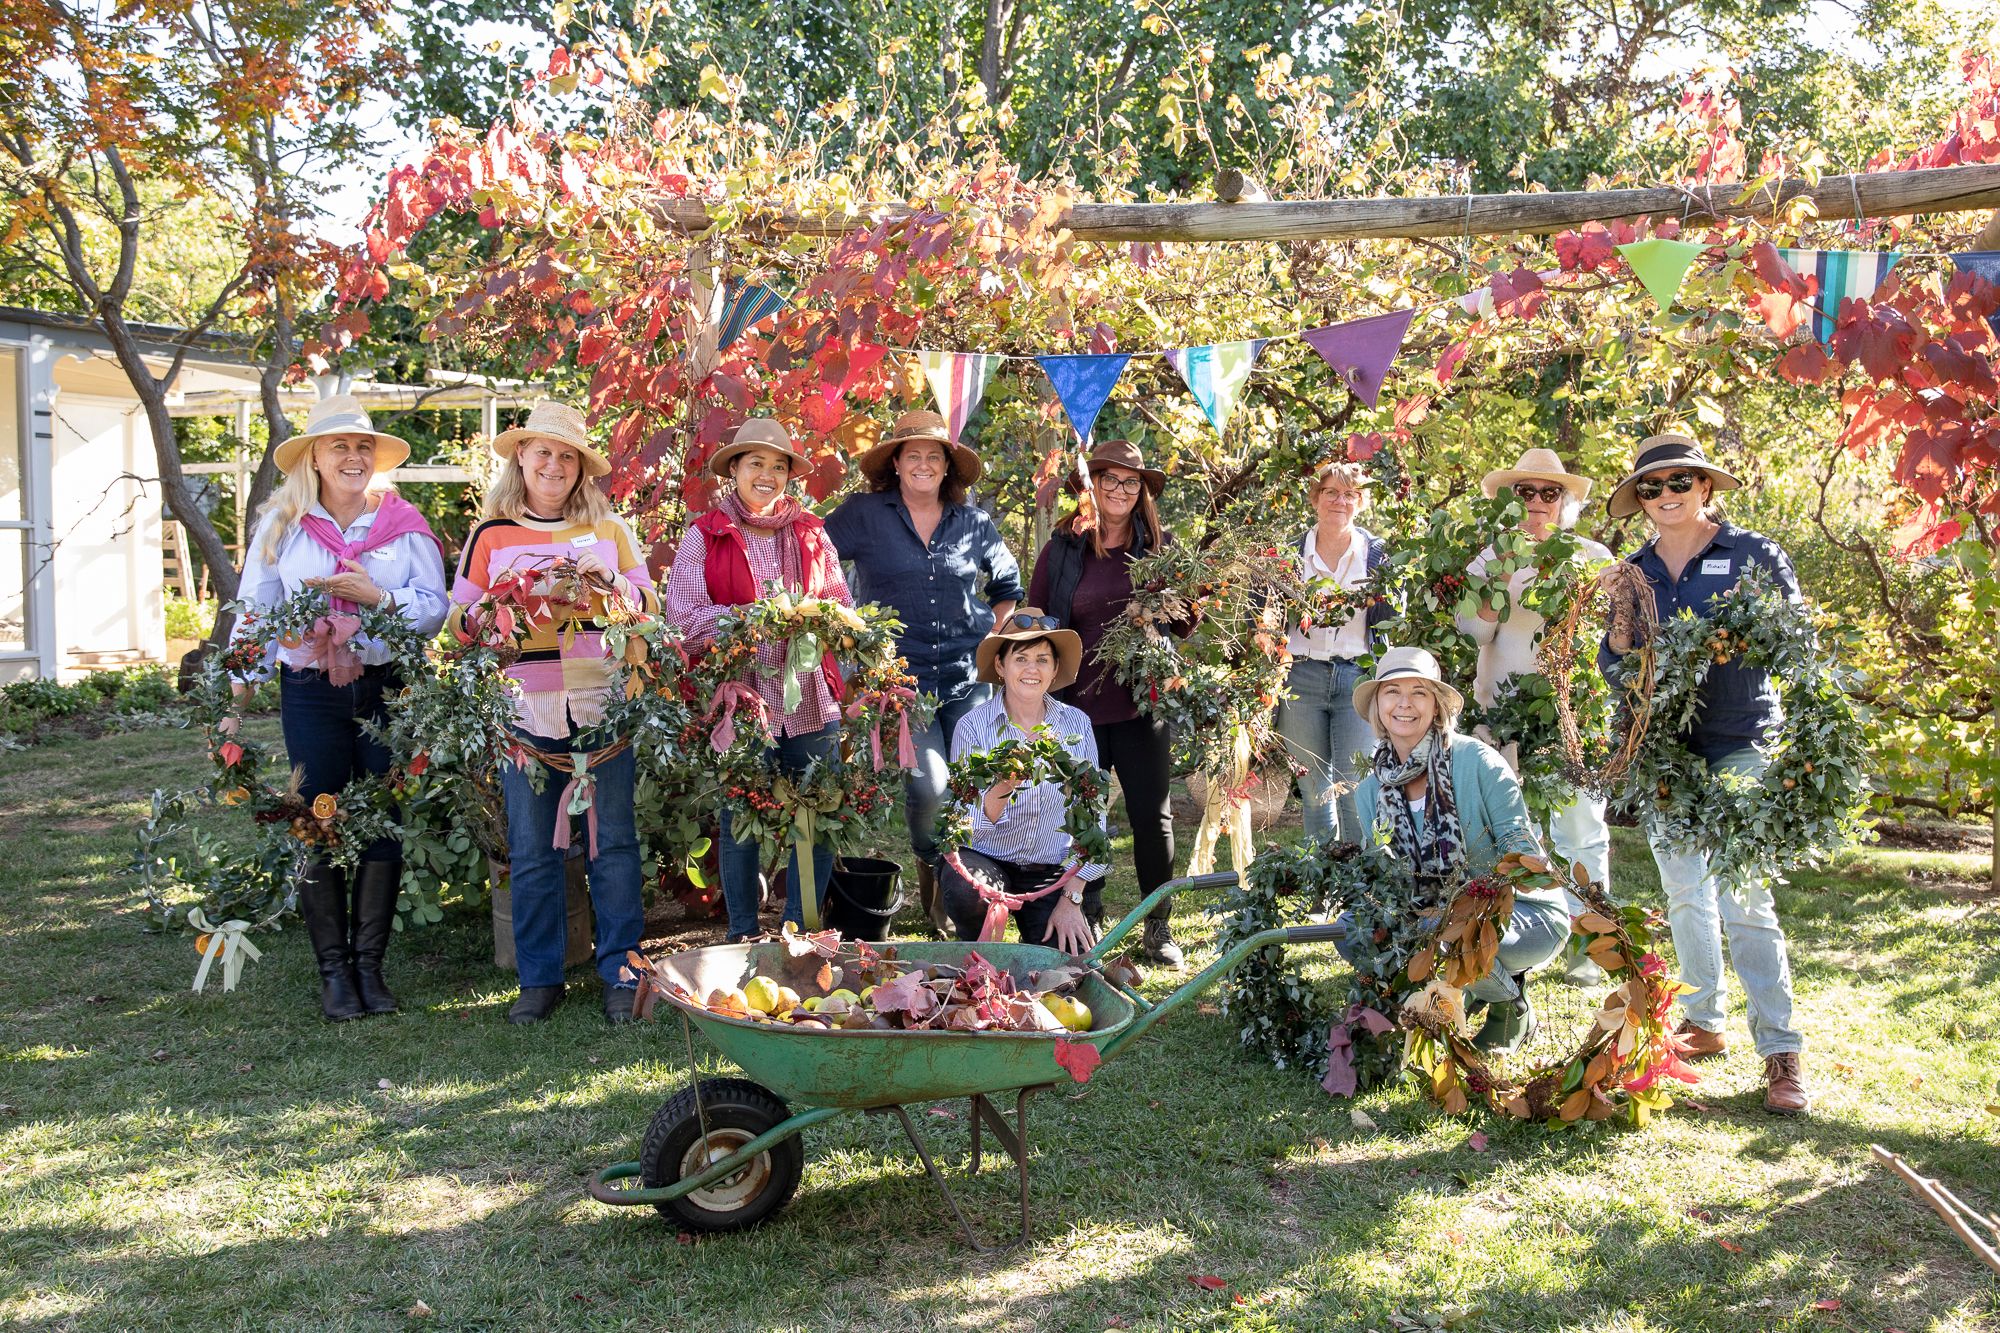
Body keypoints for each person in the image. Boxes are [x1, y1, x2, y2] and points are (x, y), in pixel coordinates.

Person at [1600, 432, 1810, 1115]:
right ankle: (1704, 1020)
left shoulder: (1752, 554)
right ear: (1640, 501)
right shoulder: (1633, 572)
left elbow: (1798, 638)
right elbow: (1613, 665)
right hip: (1667, 750)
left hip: (1742, 737)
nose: (1666, 496)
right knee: (1686, 891)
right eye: (1652, 488)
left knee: (1744, 896)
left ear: (1705, 486)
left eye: (1678, 482)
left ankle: (1780, 1048)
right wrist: (1623, 641)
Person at [227, 394, 448, 1021]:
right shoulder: (283, 526)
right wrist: (235, 705)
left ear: (374, 458)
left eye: (362, 447)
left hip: (387, 685)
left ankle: (371, 970)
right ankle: (334, 972)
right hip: (311, 691)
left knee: (380, 816)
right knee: (315, 818)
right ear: (316, 458)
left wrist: (373, 594)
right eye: (338, 446)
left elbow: (434, 609)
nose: (353, 456)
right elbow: (255, 615)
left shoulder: (403, 525)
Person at [453, 400, 659, 1026]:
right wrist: (499, 607)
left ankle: (622, 972)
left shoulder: (610, 531)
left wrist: (610, 588)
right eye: (543, 451)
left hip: (603, 702)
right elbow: (458, 625)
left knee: (614, 844)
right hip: (527, 706)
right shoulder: (490, 536)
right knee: (533, 844)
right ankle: (538, 979)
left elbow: (648, 609)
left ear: (580, 468)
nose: (554, 464)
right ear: (521, 456)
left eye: (566, 455)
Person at [824, 409, 1022, 934]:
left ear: (948, 467)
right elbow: (814, 558)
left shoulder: (973, 522)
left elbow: (1006, 586)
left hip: (968, 676)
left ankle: (968, 894)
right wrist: (841, 622)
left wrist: (996, 645)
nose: (923, 463)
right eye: (913, 454)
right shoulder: (863, 515)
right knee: (931, 787)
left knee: (978, 782)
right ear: (895, 461)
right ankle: (935, 884)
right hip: (899, 681)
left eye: (934, 455)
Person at [666, 418, 855, 944]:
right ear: (735, 470)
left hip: (809, 696)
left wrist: (816, 616)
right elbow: (682, 616)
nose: (768, 475)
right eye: (756, 464)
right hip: (743, 699)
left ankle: (801, 931)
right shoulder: (705, 534)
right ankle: (742, 935)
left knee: (815, 814)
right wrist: (750, 622)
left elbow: (840, 601)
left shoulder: (811, 533)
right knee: (741, 817)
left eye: (778, 466)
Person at [1347, 648, 1569, 1055]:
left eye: (1419, 693)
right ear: (1378, 706)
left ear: (1436, 707)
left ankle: (1511, 1001)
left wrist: (1469, 904)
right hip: (1429, 915)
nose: (1404, 704)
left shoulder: (1476, 761)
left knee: (1445, 931)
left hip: (1521, 912)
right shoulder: (1369, 791)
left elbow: (1519, 851)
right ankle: (1439, 994)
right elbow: (1380, 873)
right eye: (1392, 692)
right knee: (1352, 927)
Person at [1454, 447, 1615, 984]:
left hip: (1573, 712)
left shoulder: (1592, 557)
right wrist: (1497, 580)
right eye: (1527, 492)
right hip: (1500, 709)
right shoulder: (1488, 558)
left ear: (1565, 502)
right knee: (1506, 828)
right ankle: (1506, 938)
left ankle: (1591, 947)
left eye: (1550, 493)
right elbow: (1472, 632)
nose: (1538, 502)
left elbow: (1616, 632)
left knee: (1581, 828)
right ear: (1510, 499)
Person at [1027, 439, 1183, 967]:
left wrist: (1183, 598)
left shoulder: (1158, 550)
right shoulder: (1064, 549)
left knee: (1151, 817)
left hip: (1143, 705)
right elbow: (1038, 617)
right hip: (1077, 707)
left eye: (1131, 482)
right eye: (1109, 479)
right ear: (1090, 486)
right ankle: (1083, 909)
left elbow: (1186, 623)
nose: (1119, 490)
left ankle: (1157, 927)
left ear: (1142, 493)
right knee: (1076, 814)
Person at [940, 611, 1108, 954]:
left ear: (1055, 669)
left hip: (1051, 869)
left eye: (1042, 659)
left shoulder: (1075, 725)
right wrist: (1002, 787)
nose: (1032, 669)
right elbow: (963, 822)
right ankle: (975, 953)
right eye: (1021, 659)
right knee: (966, 895)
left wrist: (1072, 897)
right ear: (1001, 667)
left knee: (1067, 968)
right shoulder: (973, 727)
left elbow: (1095, 819)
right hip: (987, 856)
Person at [1274, 460, 1395, 846]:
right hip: (1300, 678)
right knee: (1313, 789)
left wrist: (1394, 591)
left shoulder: (1376, 554)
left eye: (1349, 494)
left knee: (1356, 785)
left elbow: (1392, 618)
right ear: (1315, 498)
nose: (1339, 501)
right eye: (1330, 492)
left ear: (1360, 502)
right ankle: (1323, 884)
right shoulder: (1290, 555)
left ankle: (1362, 888)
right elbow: (1264, 616)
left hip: (1357, 678)